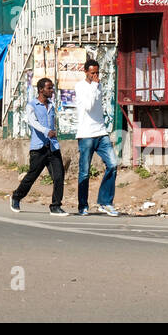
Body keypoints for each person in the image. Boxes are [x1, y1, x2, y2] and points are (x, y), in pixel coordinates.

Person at [9, 77, 69, 216]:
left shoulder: (52, 105)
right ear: (41, 90)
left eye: (52, 87)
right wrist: (46, 131)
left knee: (59, 176)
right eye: (49, 88)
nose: (52, 90)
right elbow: (33, 122)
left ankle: (55, 206)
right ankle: (16, 196)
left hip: (53, 146)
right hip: (38, 148)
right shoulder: (32, 105)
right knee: (32, 176)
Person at [75, 58, 119, 217]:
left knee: (113, 164)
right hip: (86, 134)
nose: (95, 76)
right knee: (84, 172)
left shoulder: (98, 85)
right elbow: (88, 106)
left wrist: (96, 86)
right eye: (92, 73)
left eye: (97, 73)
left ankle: (105, 202)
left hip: (101, 132)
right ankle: (83, 205)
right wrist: (94, 85)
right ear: (86, 72)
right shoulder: (80, 86)